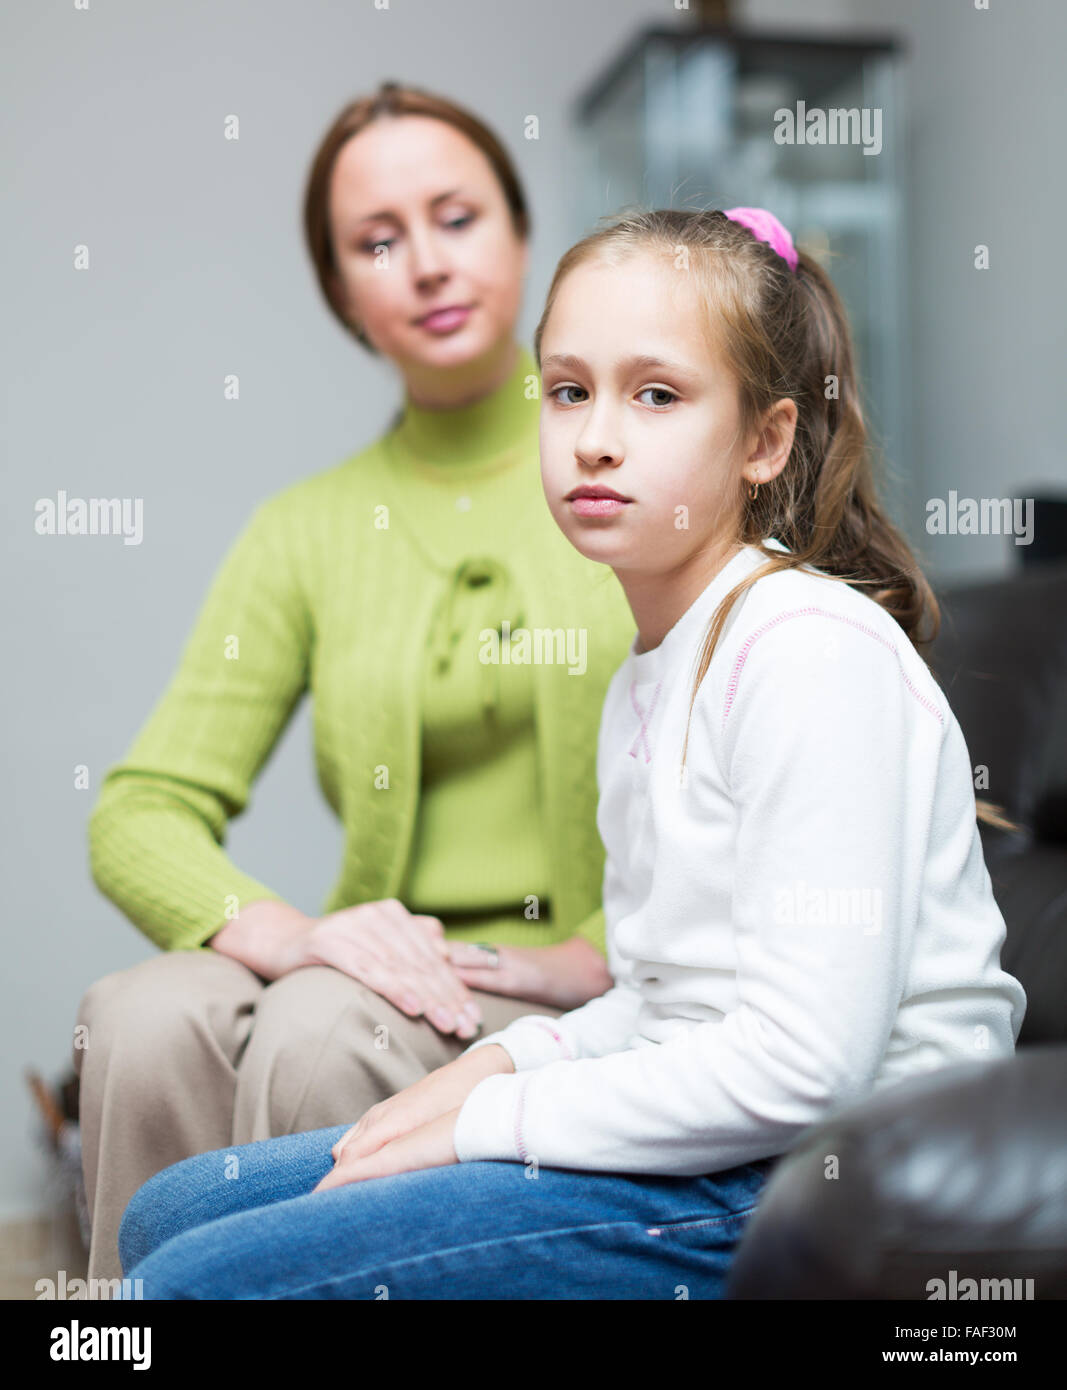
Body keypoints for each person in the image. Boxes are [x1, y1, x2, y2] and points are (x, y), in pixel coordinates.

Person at [115, 205, 1027, 1300]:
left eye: (655, 394)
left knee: (195, 1284)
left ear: (762, 441)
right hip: (713, 1127)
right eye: (566, 390)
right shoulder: (650, 665)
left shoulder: (805, 652)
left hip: (825, 1166)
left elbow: (801, 1066)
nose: (594, 435)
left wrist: (489, 1123)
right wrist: (498, 1064)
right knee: (166, 1212)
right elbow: (663, 999)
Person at [74, 82, 638, 1285]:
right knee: (138, 1011)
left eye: (456, 216)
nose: (426, 264)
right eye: (378, 241)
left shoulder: (627, 458)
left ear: (521, 236)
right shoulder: (303, 530)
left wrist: (597, 946)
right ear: (342, 294)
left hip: (580, 989)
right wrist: (294, 931)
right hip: (381, 962)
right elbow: (137, 811)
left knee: (321, 1025)